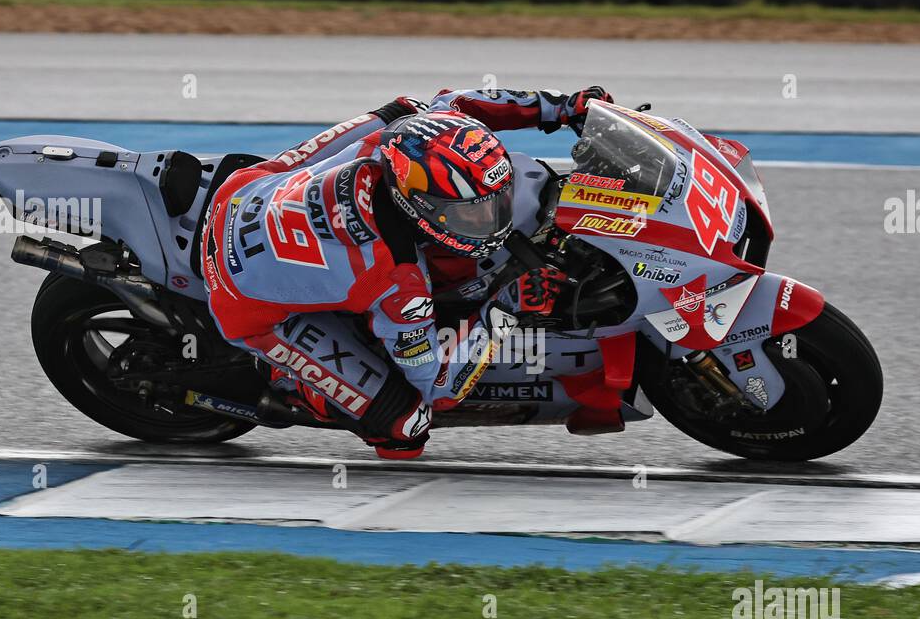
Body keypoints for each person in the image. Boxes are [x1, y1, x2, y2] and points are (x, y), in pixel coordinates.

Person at [201, 86, 612, 458]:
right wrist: (510, 303)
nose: (492, 219)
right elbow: (439, 385)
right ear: (420, 206)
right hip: (243, 301)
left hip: (245, 188)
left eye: (495, 202)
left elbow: (462, 102)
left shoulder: (411, 134)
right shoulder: (398, 282)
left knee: (401, 108)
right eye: (471, 214)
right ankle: (291, 383)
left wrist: (562, 108)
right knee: (405, 428)